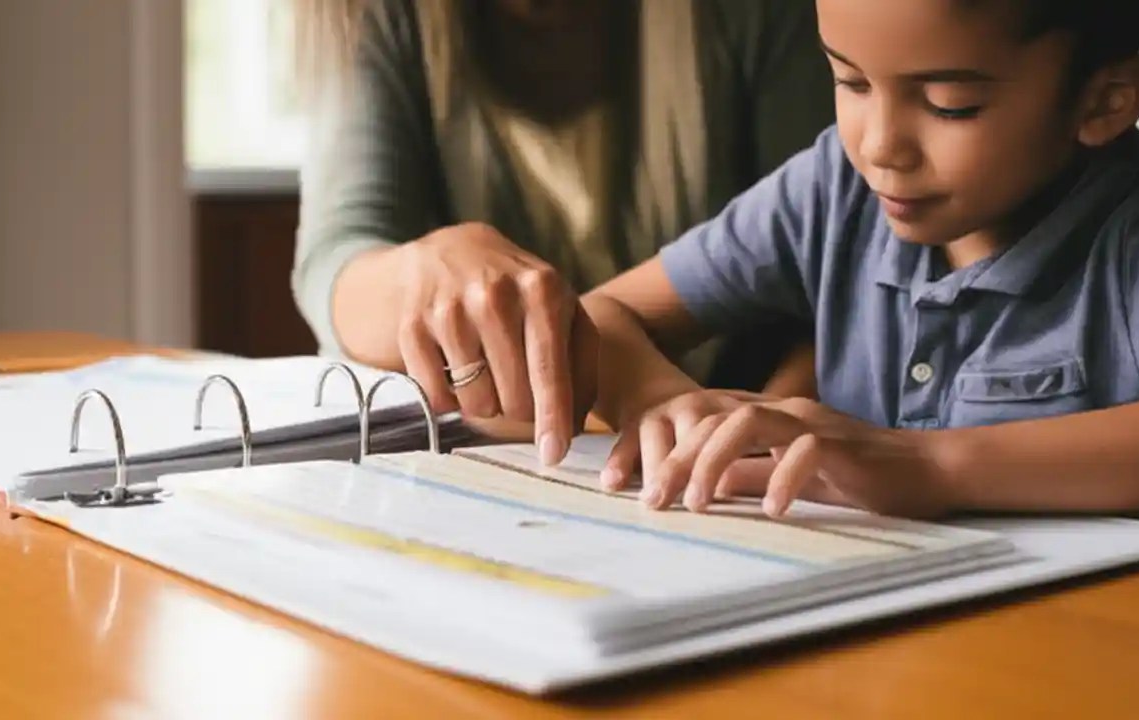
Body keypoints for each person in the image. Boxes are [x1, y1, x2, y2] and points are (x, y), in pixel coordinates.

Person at [575, 0, 1139, 519]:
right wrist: (665, 403)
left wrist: (935, 466)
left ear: (1104, 101)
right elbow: (603, 316)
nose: (880, 146)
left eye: (950, 105)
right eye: (851, 80)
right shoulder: (834, 190)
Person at [291, 0, 835, 465]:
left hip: (723, 461)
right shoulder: (376, 14)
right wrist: (419, 276)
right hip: (502, 463)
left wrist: (759, 439)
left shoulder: (757, 15)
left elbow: (831, 275)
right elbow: (337, 254)